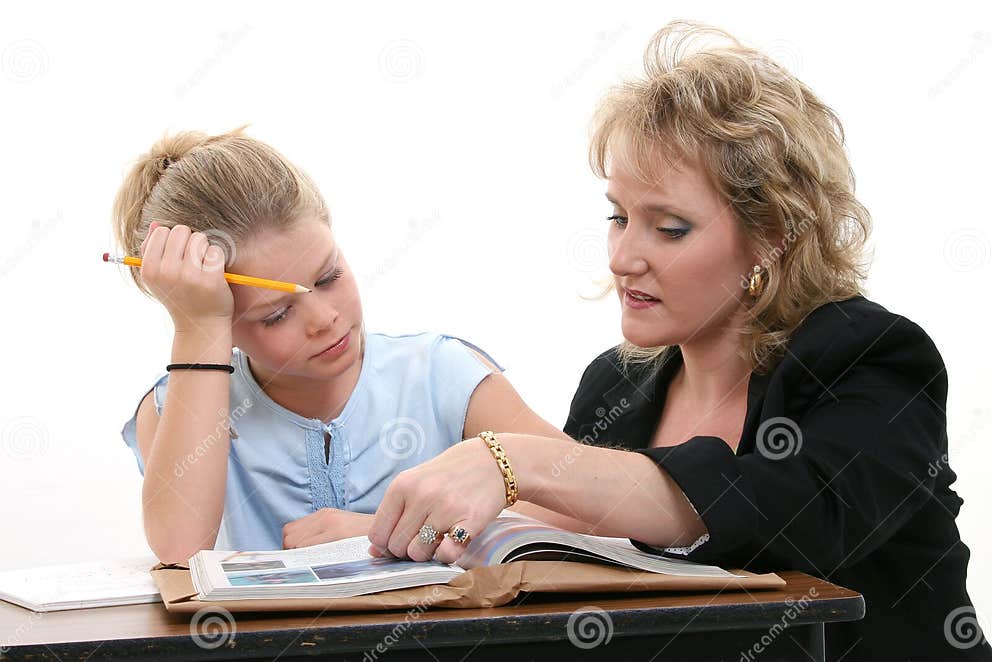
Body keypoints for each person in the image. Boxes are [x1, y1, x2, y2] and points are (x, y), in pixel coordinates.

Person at [365, 21, 991, 661]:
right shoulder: (615, 382)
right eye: (618, 216)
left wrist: (512, 460)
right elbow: (577, 538)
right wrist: (382, 530)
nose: (622, 257)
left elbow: (797, 517)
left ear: (772, 234)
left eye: (668, 228)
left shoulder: (871, 355)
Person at [112, 127, 581, 564]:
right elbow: (179, 547)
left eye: (329, 276)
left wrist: (380, 534)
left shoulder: (444, 376)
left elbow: (587, 511)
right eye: (276, 314)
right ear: (221, 323)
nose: (324, 319)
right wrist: (197, 328)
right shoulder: (178, 407)